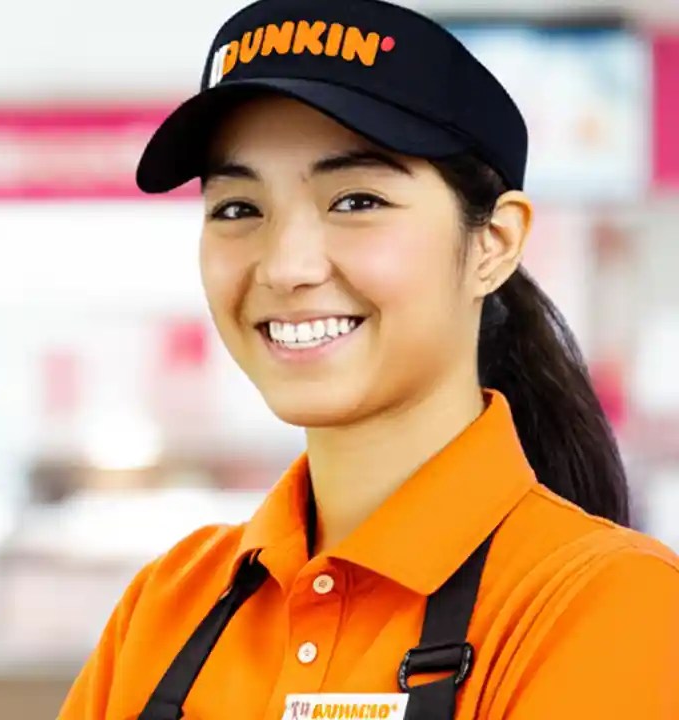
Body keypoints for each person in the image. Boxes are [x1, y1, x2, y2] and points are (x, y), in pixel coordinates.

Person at [57, 1, 679, 719]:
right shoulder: (168, 604)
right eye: (237, 209)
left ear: (495, 243)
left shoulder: (607, 605)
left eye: (356, 200)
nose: (285, 267)